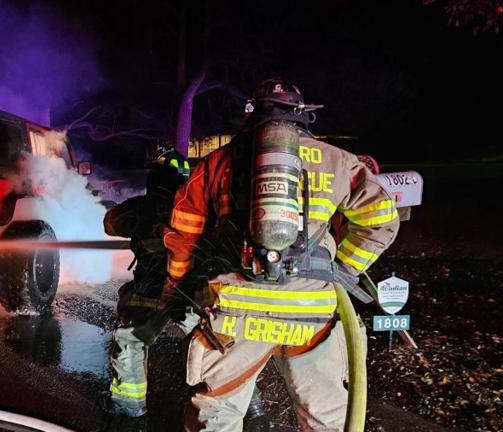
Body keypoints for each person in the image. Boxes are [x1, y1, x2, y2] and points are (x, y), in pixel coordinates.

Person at [160, 78, 400, 431]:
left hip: (235, 317)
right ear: (303, 116)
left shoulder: (215, 164)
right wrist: (341, 268)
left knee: (217, 415)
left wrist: (176, 285)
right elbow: (381, 220)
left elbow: (183, 231)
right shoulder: (339, 162)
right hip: (312, 316)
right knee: (327, 420)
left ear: (251, 114)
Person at [103, 147, 192, 419]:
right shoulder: (194, 206)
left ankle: (129, 406)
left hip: (150, 291)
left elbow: (110, 224)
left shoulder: (141, 207)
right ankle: (243, 402)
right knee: (211, 343)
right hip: (191, 292)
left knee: (132, 340)